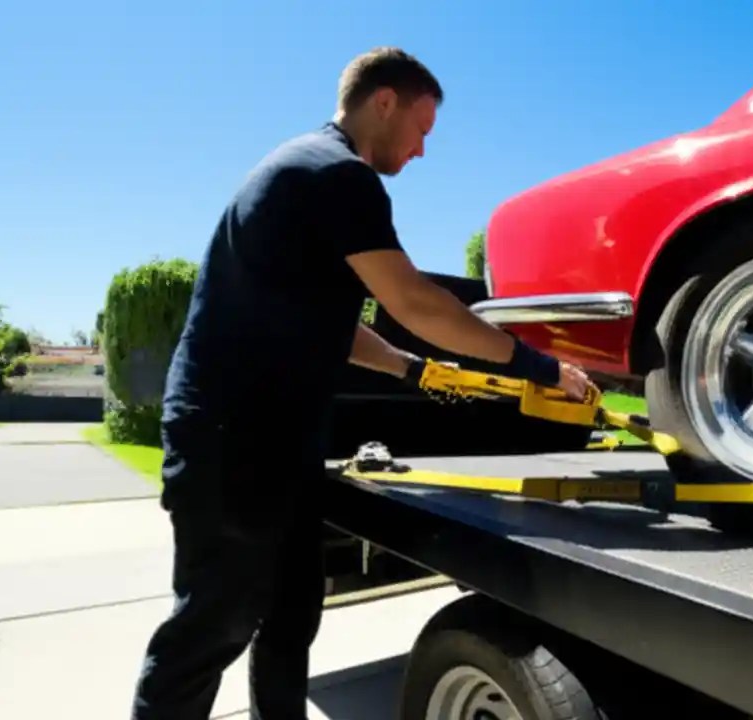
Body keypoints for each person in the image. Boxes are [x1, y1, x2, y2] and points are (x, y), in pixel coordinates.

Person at [130, 46, 593, 720]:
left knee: (291, 614)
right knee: (212, 627)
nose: (421, 151)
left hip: (279, 442)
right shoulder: (335, 175)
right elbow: (415, 302)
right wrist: (540, 366)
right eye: (422, 129)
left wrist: (416, 370)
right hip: (233, 438)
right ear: (385, 102)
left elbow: (339, 330)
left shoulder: (310, 177)